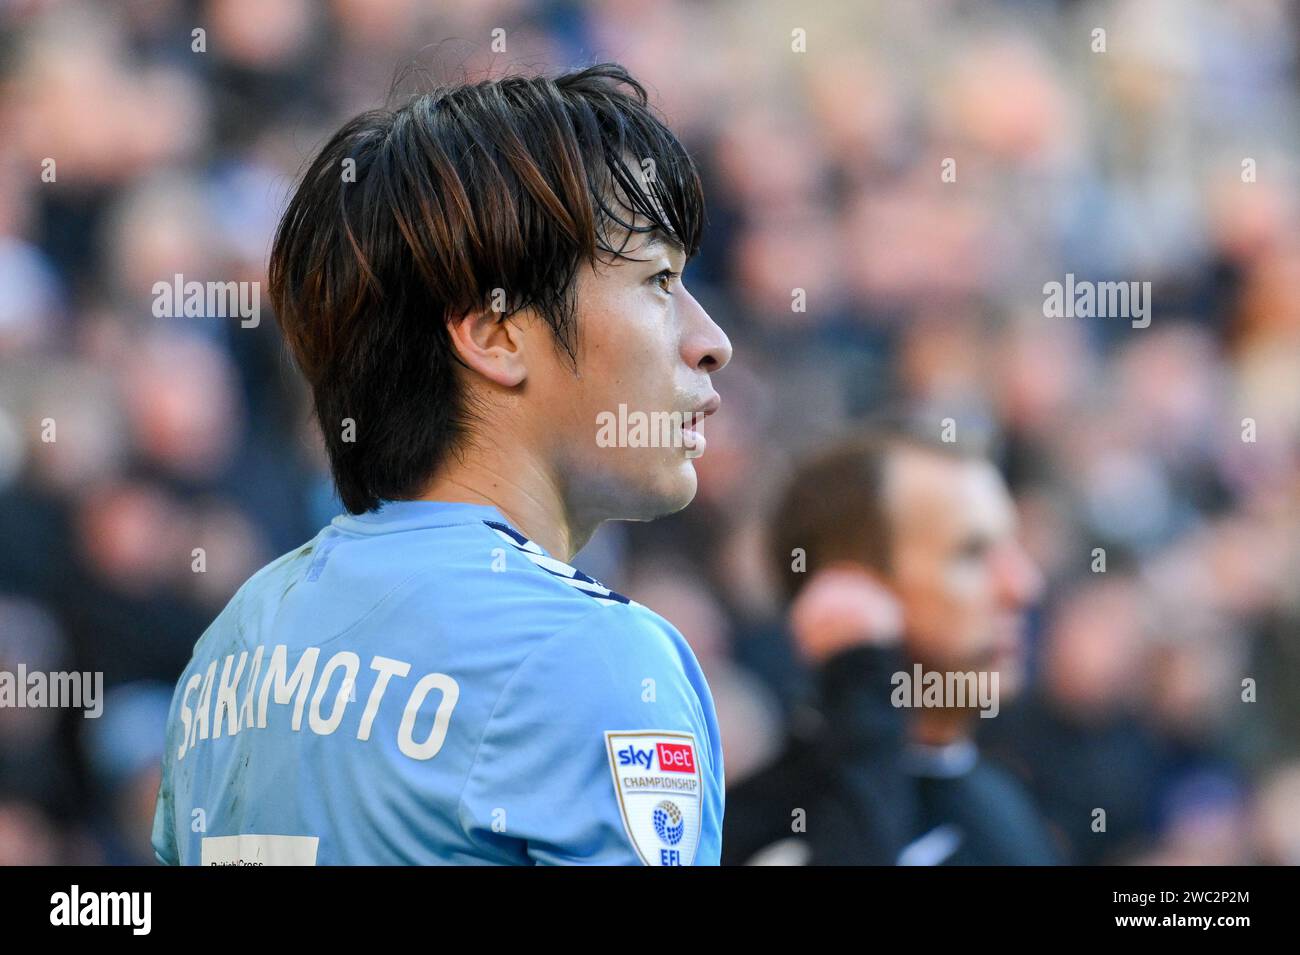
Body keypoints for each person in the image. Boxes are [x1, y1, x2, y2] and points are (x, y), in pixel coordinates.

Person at [151, 63, 732, 865]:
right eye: (658, 279)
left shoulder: (234, 642)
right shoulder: (597, 656)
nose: (711, 341)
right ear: (494, 334)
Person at [723, 430, 1062, 865]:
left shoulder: (1002, 801)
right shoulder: (781, 825)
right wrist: (860, 673)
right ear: (847, 591)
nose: (1024, 586)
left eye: (1013, 548)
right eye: (972, 553)